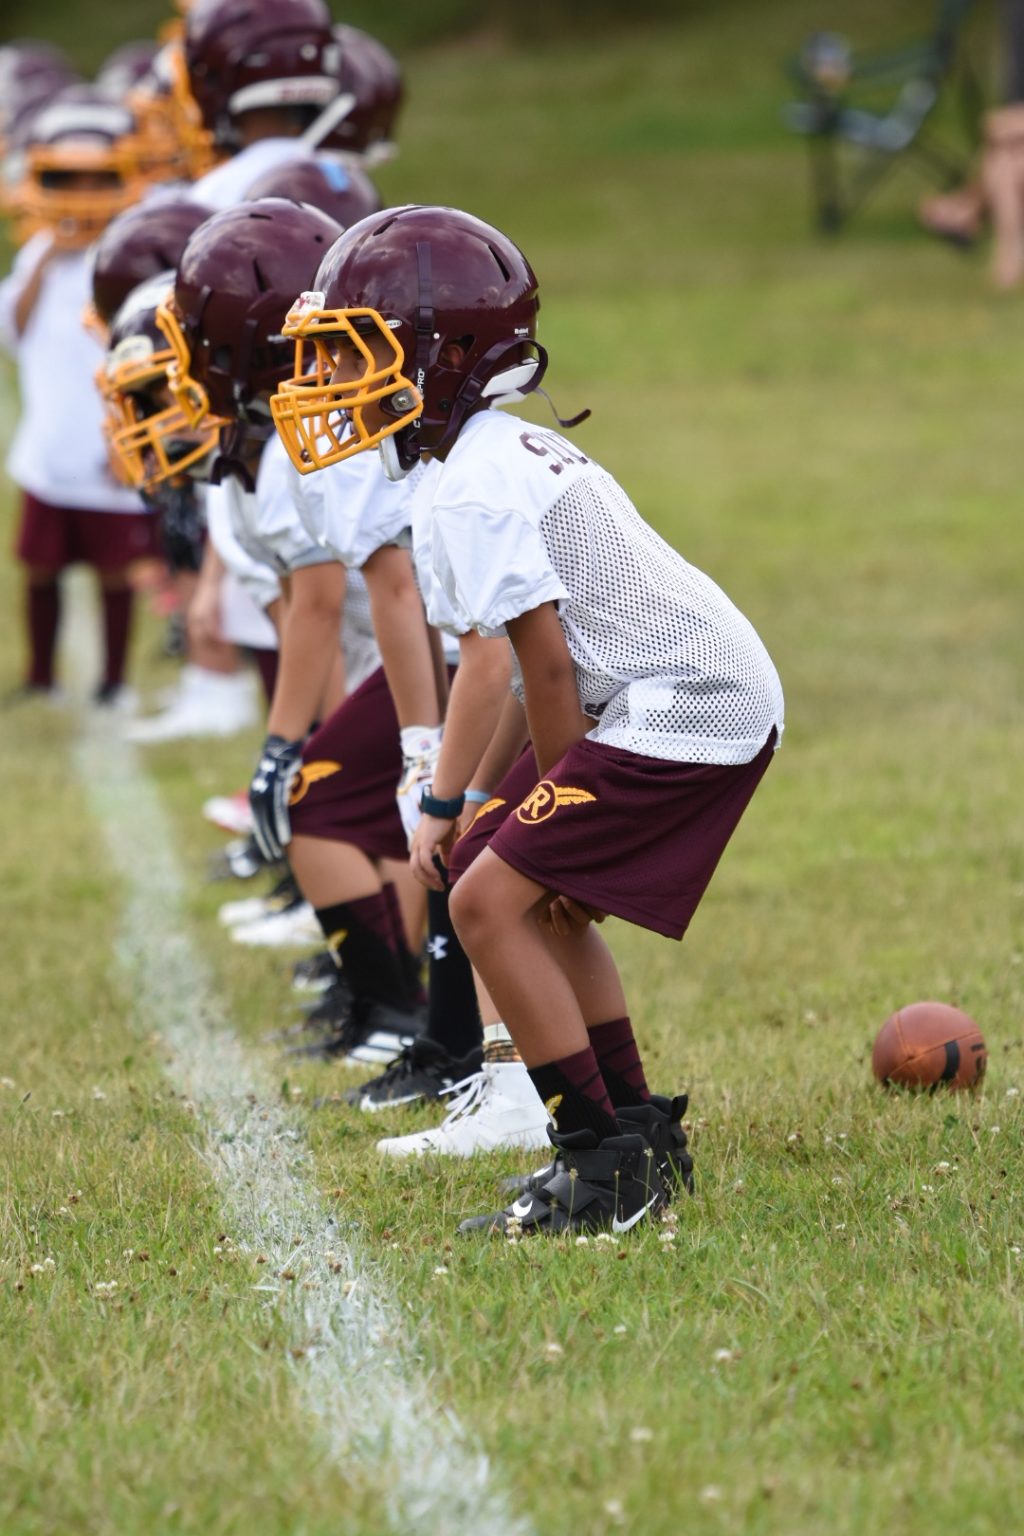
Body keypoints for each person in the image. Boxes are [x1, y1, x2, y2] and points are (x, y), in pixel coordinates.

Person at [271, 205, 785, 1235]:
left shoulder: (474, 484)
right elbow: (508, 674)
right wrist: (466, 803)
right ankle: (637, 1128)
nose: (327, 383)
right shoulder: (479, 456)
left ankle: (600, 1167)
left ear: (442, 353)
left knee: (490, 902)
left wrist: (533, 813)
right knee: (508, 888)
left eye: (351, 355)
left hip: (683, 702)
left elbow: (538, 668)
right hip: (668, 692)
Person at [0, 92, 161, 707]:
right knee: (39, 568)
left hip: (107, 446)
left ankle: (114, 681)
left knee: (116, 573)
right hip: (48, 447)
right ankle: (41, 676)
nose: (83, 190)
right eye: (68, 178)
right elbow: (14, 332)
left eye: (98, 178)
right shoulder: (37, 251)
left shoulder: (129, 253)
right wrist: (44, 259)